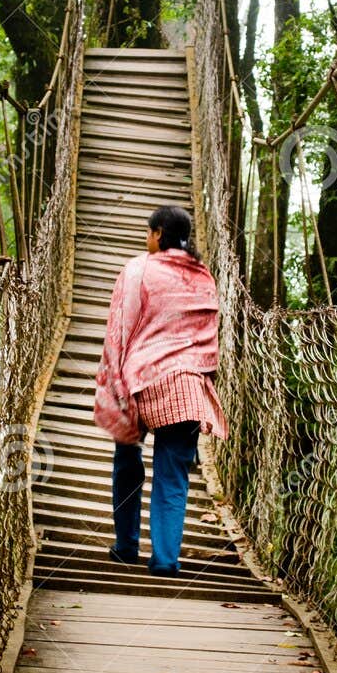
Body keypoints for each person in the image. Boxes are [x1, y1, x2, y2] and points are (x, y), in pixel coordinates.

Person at [93, 205, 226, 576]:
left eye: (148, 232)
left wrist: (113, 384)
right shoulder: (204, 276)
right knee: (173, 474)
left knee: (127, 459)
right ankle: (166, 560)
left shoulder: (138, 269)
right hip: (187, 387)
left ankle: (126, 547)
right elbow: (209, 337)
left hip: (141, 381)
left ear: (157, 234)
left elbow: (119, 329)